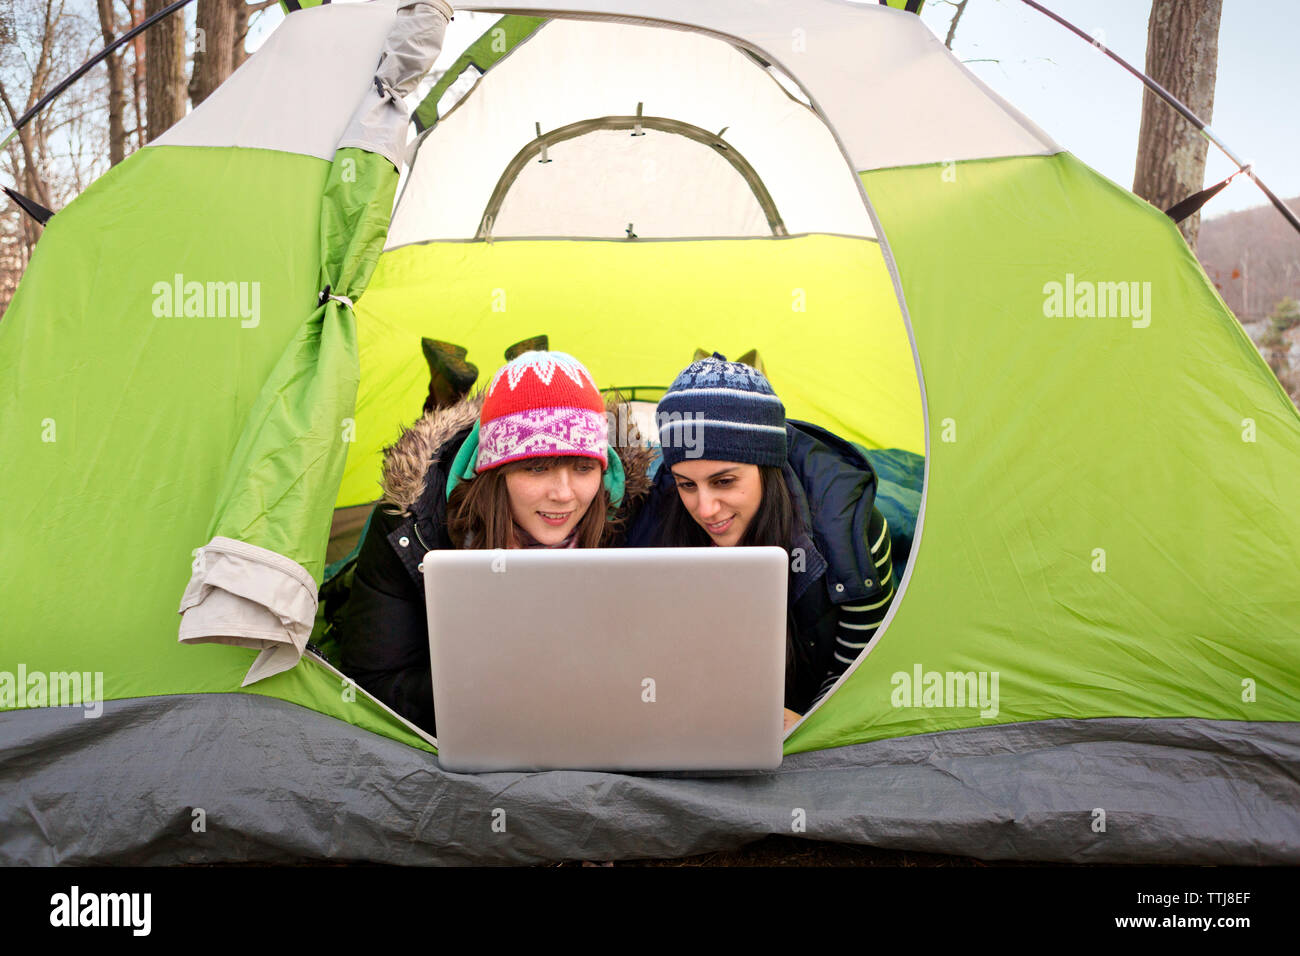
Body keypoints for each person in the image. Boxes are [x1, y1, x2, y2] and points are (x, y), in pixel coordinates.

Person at [333, 350, 653, 732]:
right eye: (537, 467)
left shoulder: (632, 514)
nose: (565, 494)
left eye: (583, 467)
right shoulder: (413, 528)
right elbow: (375, 686)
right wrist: (498, 685)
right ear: (496, 474)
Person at [626, 353, 897, 732]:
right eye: (687, 484)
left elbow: (858, 679)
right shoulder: (655, 524)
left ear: (767, 467)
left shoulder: (851, 537)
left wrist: (808, 726)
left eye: (724, 481)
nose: (705, 508)